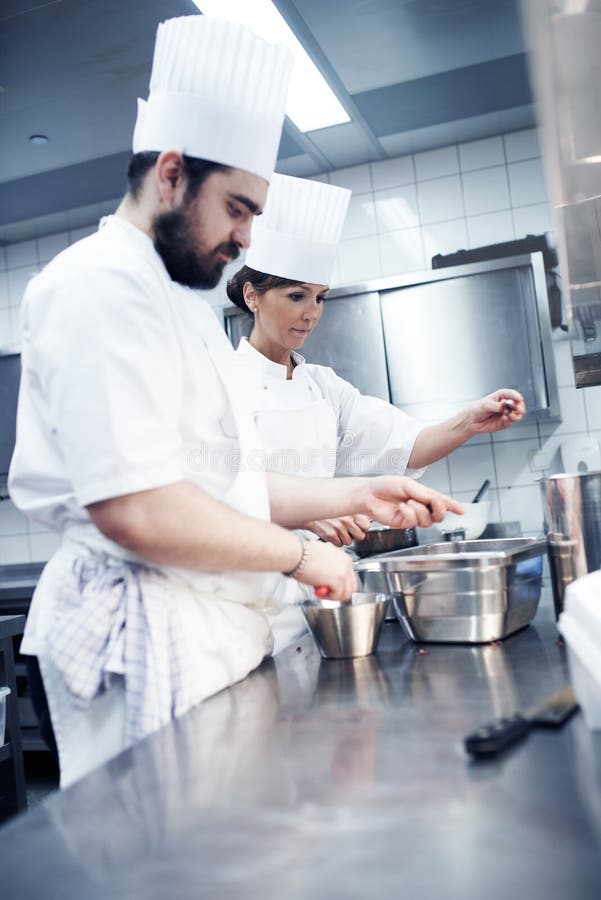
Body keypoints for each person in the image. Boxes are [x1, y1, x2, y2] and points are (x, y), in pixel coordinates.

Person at [8, 16, 461, 788]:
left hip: (202, 627)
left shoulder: (173, 303)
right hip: (139, 633)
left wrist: (357, 493)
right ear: (172, 174)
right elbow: (140, 509)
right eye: (238, 208)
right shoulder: (97, 286)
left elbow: (216, 482)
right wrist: (301, 553)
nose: (247, 238)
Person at [227, 173, 526, 646]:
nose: (312, 312)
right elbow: (217, 494)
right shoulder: (221, 382)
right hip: (246, 604)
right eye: (297, 296)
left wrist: (470, 420)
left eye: (320, 297)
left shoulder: (323, 386)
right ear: (252, 296)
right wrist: (305, 513)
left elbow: (405, 445)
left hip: (320, 599)